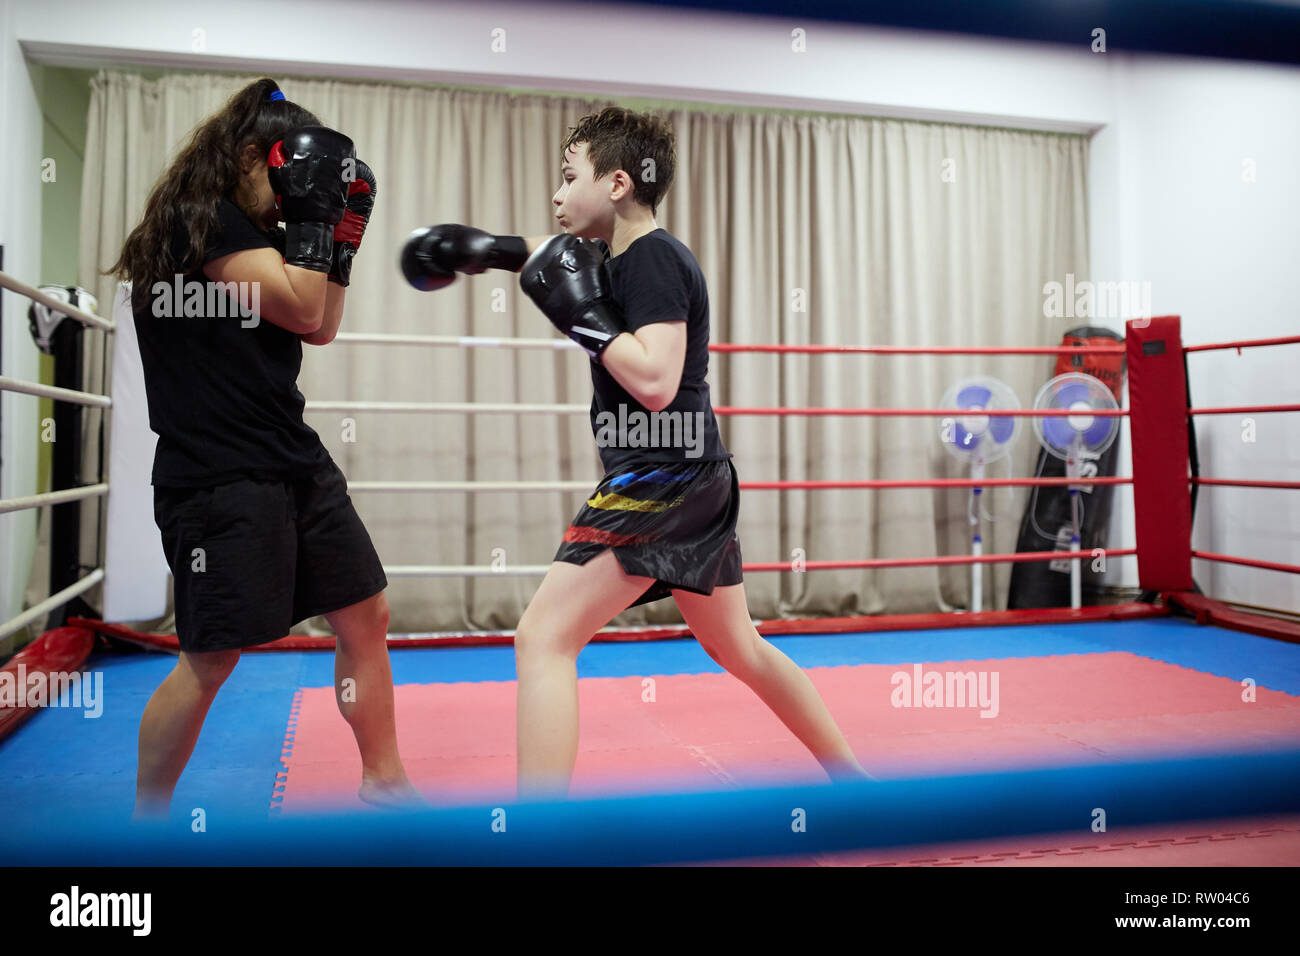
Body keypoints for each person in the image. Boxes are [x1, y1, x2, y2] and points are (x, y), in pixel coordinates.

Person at [402, 106, 871, 799]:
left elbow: (654, 380)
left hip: (662, 475)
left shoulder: (651, 257)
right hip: (691, 470)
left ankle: (540, 837)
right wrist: (481, 250)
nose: (557, 194)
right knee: (737, 648)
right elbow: (551, 255)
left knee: (542, 640)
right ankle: (858, 785)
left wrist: (581, 320)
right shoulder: (612, 255)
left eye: (569, 177)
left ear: (619, 182)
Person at [106, 78, 421, 817]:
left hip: (290, 455)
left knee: (364, 612)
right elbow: (304, 305)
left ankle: (384, 780)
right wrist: (318, 222)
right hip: (219, 471)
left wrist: (338, 240)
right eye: (282, 175)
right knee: (211, 656)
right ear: (248, 156)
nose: (289, 194)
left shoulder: (264, 236)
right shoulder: (201, 223)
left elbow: (319, 324)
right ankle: (145, 826)